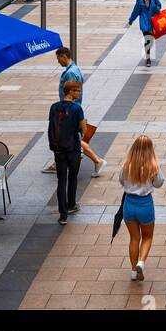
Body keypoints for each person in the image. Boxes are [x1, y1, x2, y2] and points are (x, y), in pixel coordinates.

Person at [54, 47, 106, 174]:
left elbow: (72, 94)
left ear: (64, 56)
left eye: (58, 58)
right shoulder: (75, 69)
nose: (58, 62)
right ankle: (56, 163)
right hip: (73, 110)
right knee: (68, 137)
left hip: (70, 111)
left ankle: (97, 160)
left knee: (75, 139)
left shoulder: (70, 73)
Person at [120, 135, 164, 281]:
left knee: (134, 238)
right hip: (145, 204)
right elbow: (159, 183)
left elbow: (121, 180)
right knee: (147, 237)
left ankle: (133, 271)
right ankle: (141, 262)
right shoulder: (153, 166)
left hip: (129, 204)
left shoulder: (127, 165)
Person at [48, 79, 85, 224]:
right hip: (73, 148)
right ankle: (71, 205)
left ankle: (62, 215)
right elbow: (83, 130)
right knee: (73, 177)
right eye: (77, 90)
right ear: (70, 91)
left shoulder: (54, 107)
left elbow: (52, 124)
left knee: (61, 180)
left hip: (58, 149)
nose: (79, 93)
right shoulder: (76, 108)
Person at [127, 0, 163, 66]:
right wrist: (131, 19)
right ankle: (148, 58)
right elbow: (136, 11)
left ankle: (147, 51)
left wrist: (156, 9)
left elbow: (159, 5)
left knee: (150, 40)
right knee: (148, 38)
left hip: (152, 21)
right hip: (144, 22)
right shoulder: (139, 0)